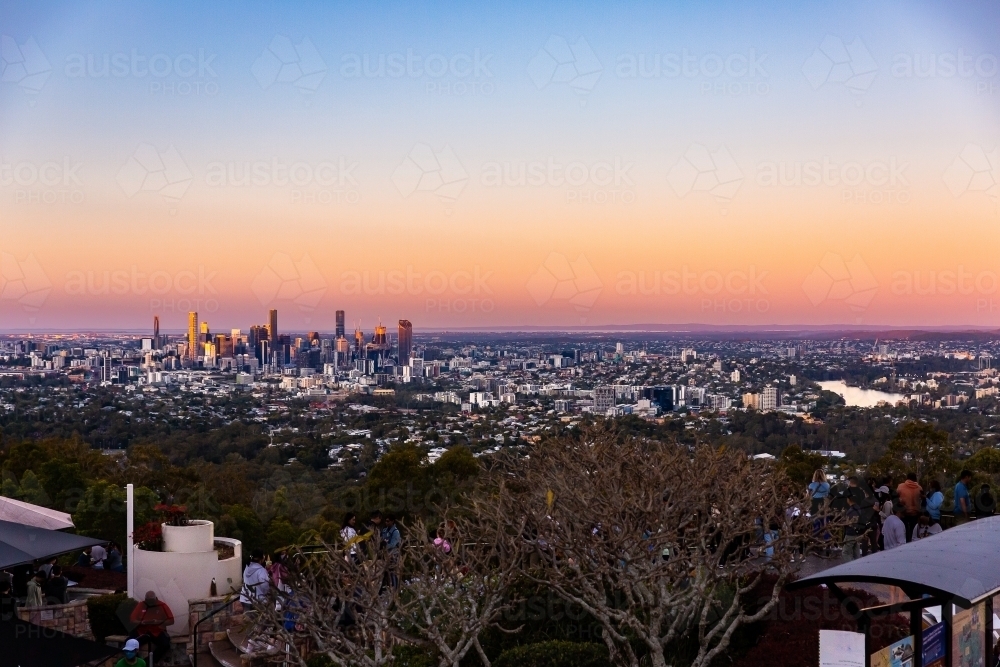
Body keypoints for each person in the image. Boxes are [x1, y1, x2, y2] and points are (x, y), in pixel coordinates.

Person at [128, 591, 173, 663]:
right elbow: (132, 620)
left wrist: (159, 622)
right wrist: (141, 622)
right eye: (148, 601)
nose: (150, 603)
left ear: (156, 599)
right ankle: (136, 662)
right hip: (142, 631)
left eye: (152, 601)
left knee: (165, 644)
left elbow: (171, 621)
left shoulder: (162, 605)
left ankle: (148, 662)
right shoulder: (141, 605)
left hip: (157, 631)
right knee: (130, 643)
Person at [896, 473, 923, 542]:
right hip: (915, 513)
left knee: (904, 531)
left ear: (907, 478)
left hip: (904, 512)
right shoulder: (919, 488)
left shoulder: (900, 487)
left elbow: (896, 498)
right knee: (913, 531)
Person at [842, 496, 863, 562]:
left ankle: (849, 567)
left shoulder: (850, 511)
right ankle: (857, 566)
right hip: (858, 533)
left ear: (849, 499)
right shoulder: (859, 509)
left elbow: (847, 523)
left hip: (850, 534)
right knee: (856, 553)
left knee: (846, 553)